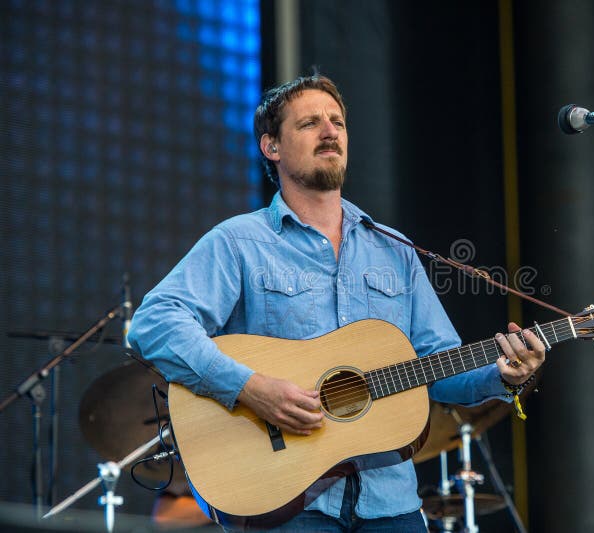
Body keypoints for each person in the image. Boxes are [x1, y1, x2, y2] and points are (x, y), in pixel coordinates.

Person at [128, 74, 545, 532]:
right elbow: (154, 323)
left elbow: (439, 364)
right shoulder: (239, 241)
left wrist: (503, 376)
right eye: (310, 123)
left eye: (338, 122)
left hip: (392, 503)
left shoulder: (395, 249)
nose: (330, 132)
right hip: (288, 503)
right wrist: (250, 388)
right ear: (271, 146)